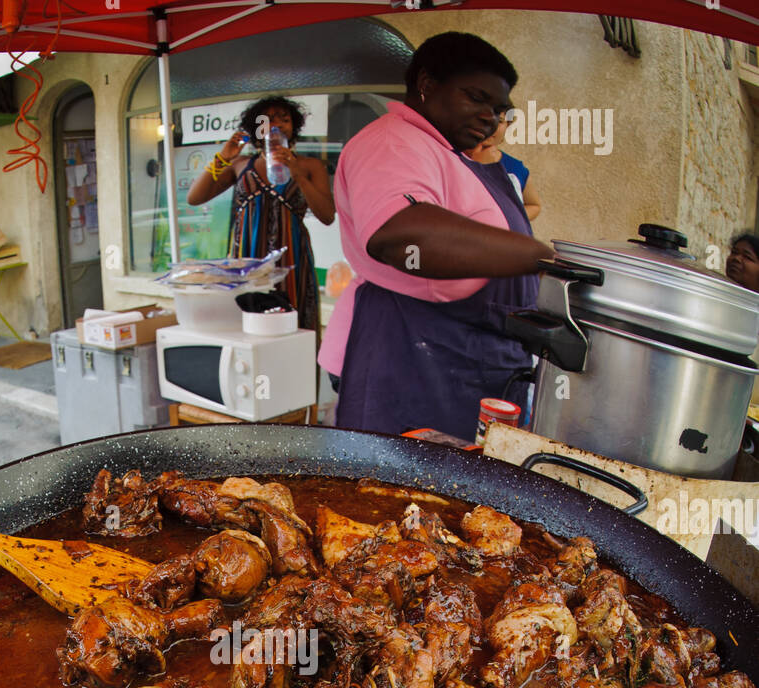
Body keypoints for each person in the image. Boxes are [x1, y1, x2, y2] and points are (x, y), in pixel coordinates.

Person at [319, 31, 552, 439]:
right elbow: (403, 238)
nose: (490, 118)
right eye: (477, 98)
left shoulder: (447, 153)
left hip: (462, 358)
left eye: (500, 110)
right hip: (414, 355)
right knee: (399, 490)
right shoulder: (393, 142)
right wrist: (541, 257)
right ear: (427, 86)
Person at [186, 96, 334, 331]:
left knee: (295, 327)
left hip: (292, 263)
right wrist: (223, 157)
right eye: (268, 120)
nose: (276, 125)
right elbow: (195, 197)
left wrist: (297, 174)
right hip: (247, 263)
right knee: (248, 329)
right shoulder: (241, 164)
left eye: (284, 119)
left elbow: (327, 216)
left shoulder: (310, 166)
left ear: (294, 127)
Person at [467, 115, 541, 221]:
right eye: (484, 118)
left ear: (508, 126)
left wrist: (509, 218)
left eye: (500, 121)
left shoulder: (516, 168)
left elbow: (534, 205)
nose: (491, 125)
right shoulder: (454, 158)